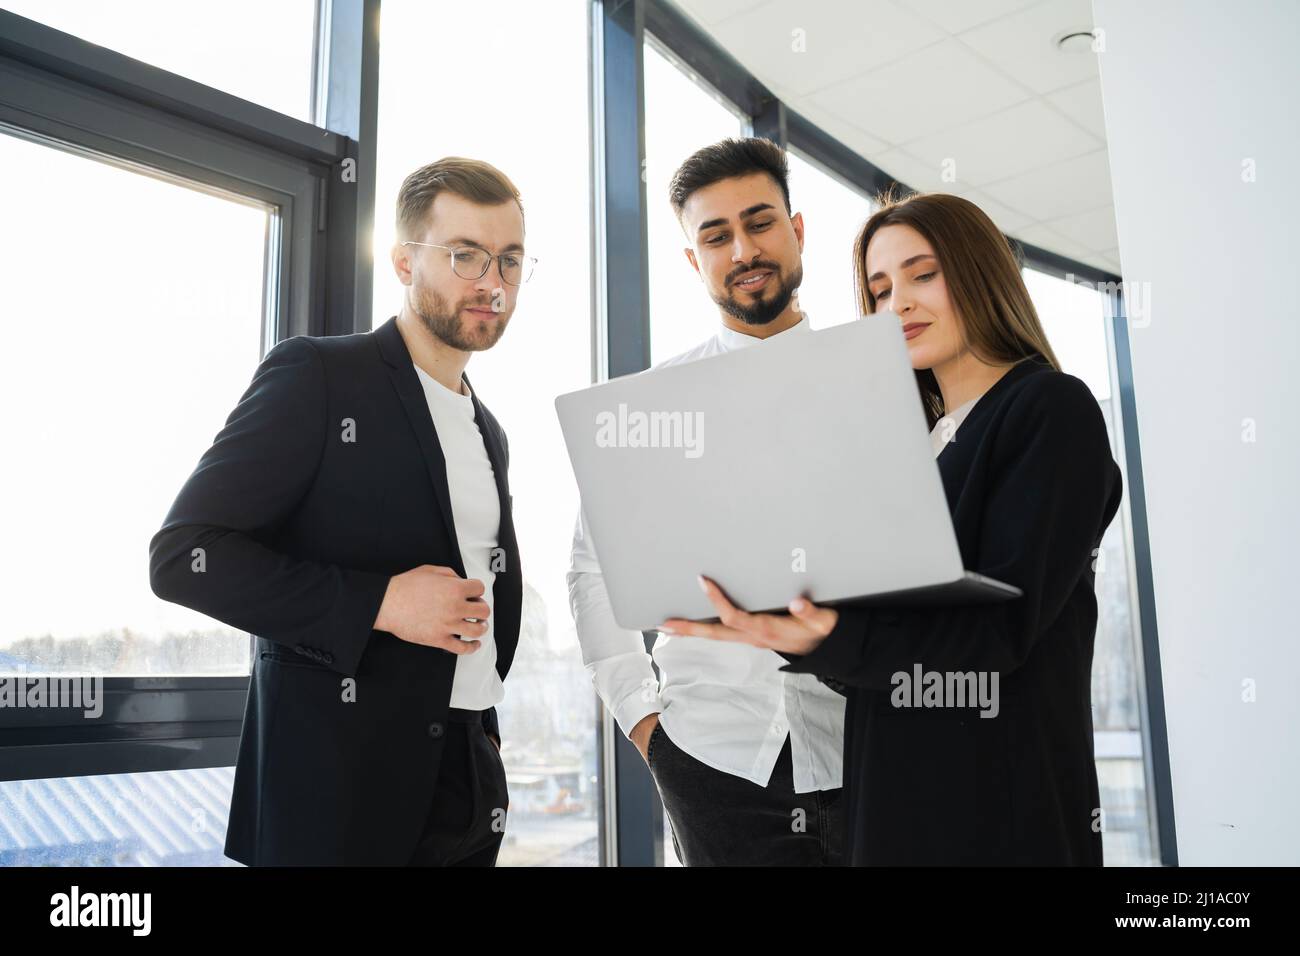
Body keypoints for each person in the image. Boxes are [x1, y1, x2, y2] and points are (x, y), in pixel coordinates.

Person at [662, 190, 1122, 866]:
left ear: (981, 272)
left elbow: (1000, 630)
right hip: (890, 797)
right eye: (878, 290)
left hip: (997, 804)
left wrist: (835, 636)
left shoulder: (1048, 408)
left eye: (922, 274)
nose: (897, 303)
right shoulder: (913, 446)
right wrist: (788, 621)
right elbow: (886, 652)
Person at [149, 157, 534, 866]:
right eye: (465, 256)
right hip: (341, 800)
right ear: (401, 261)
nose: (493, 282)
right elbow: (184, 557)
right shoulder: (319, 377)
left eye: (509, 260)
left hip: (470, 775)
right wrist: (381, 603)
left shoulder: (490, 430)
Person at [568, 137, 845, 866]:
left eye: (760, 223)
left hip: (866, 754)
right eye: (715, 236)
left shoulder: (875, 385)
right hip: (714, 762)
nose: (743, 250)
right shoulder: (649, 408)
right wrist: (646, 728)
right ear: (694, 260)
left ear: (798, 231)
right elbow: (592, 572)